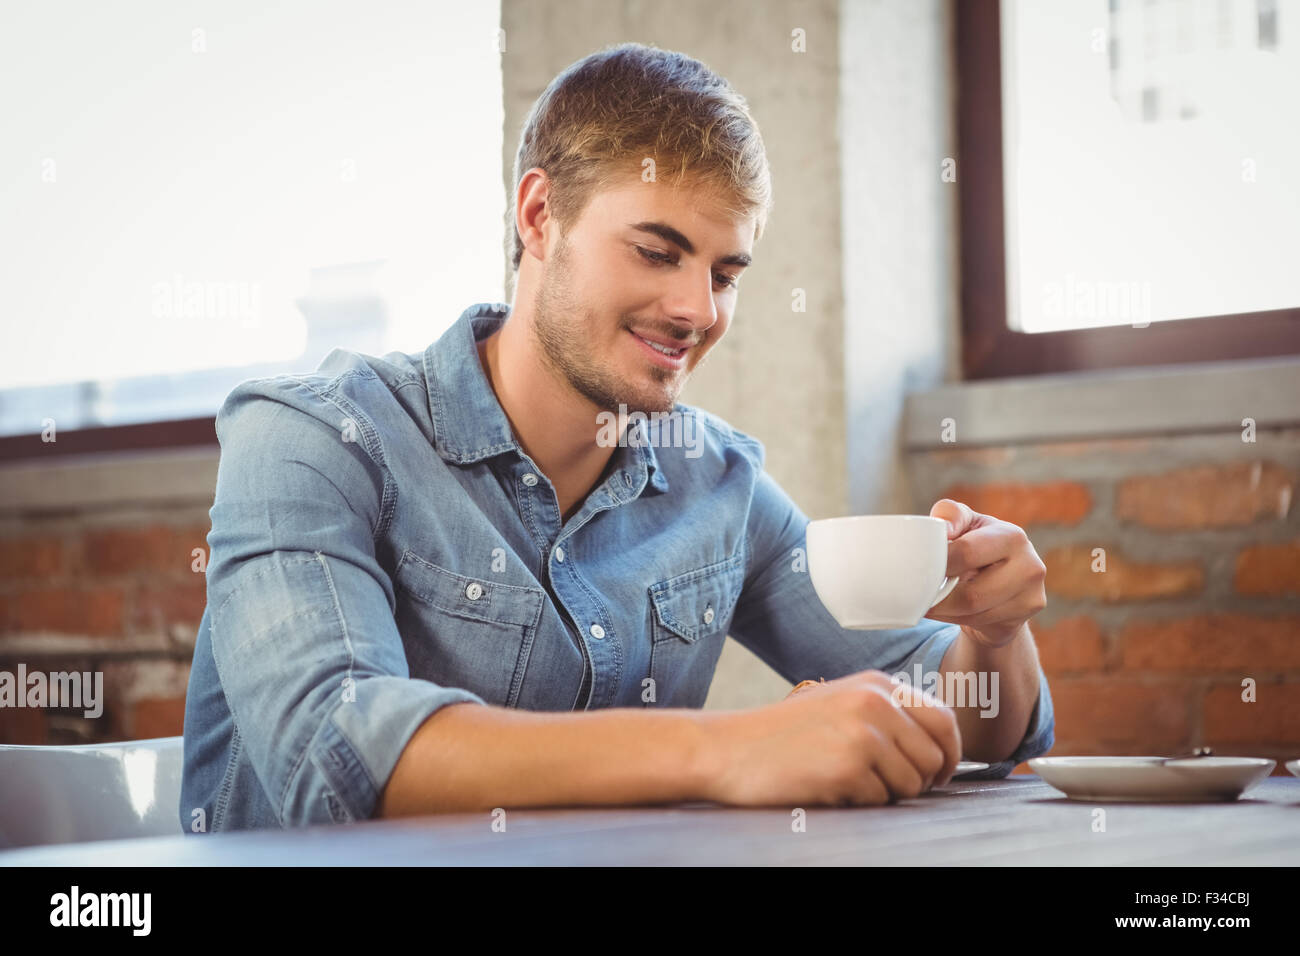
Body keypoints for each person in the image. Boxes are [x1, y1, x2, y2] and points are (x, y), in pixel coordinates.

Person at [180, 42, 1053, 832]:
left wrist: (993, 637)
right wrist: (726, 751)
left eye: (724, 272)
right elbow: (331, 755)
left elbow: (959, 720)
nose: (698, 310)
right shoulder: (313, 437)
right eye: (656, 251)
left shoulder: (716, 483)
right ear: (538, 217)